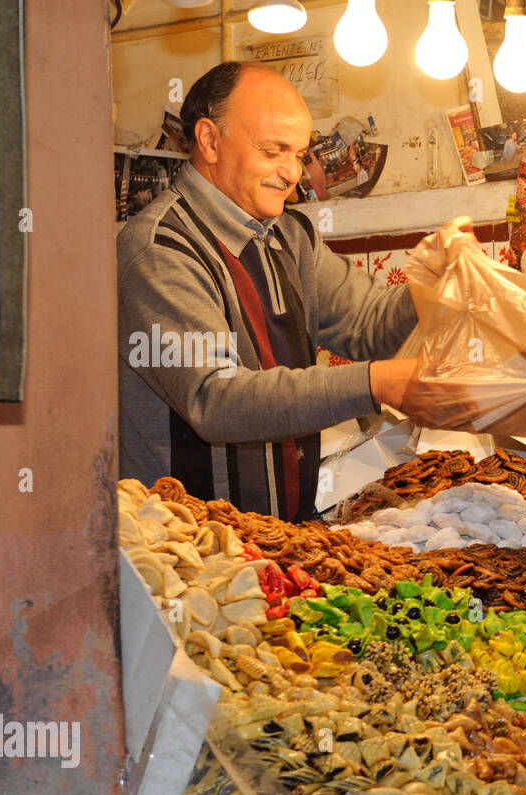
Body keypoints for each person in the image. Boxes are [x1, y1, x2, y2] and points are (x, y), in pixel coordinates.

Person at [119, 61, 470, 521]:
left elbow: (368, 326)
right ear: (208, 140)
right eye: (273, 151)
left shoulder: (291, 235)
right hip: (189, 550)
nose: (290, 173)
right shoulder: (160, 249)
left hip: (281, 533)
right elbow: (217, 399)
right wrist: (379, 383)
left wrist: (434, 284)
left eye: (300, 154)